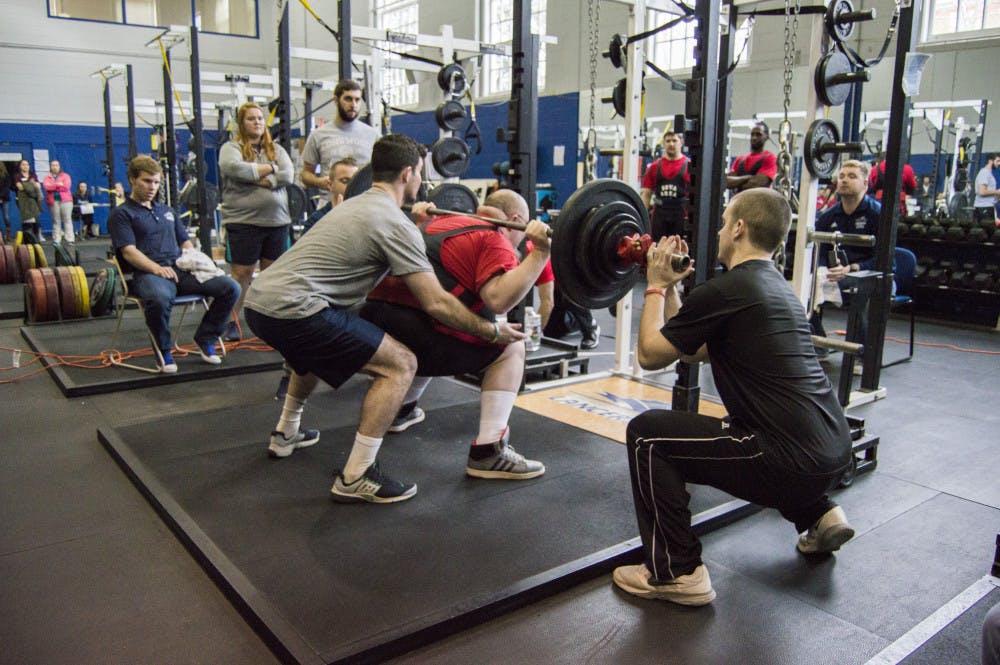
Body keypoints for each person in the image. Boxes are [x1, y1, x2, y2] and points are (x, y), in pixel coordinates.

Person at [244, 134, 524, 504]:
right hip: (297, 308)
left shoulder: (355, 204)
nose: (422, 184)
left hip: (259, 302)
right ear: (408, 174)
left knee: (311, 343)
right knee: (401, 364)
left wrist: (414, 223)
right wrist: (490, 331)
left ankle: (286, 433)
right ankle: (356, 475)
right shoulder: (394, 223)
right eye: (421, 175)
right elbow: (437, 304)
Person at [612, 188, 854, 606]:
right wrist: (672, 289)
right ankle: (820, 515)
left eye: (725, 222)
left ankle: (678, 571)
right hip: (834, 447)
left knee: (648, 435)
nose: (721, 230)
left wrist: (652, 287)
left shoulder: (727, 289)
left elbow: (650, 354)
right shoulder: (775, 288)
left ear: (739, 228)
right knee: (760, 432)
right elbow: (692, 348)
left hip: (785, 459)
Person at [359, 189, 551, 478]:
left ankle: (402, 409)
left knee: (448, 318)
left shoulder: (434, 222)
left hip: (374, 321)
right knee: (511, 346)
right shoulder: (494, 237)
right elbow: (499, 300)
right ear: (516, 220)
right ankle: (489, 451)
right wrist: (540, 253)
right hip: (417, 331)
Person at [109, 155, 240, 373]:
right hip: (148, 274)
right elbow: (129, 253)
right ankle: (164, 351)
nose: (153, 187)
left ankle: (206, 338)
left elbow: (185, 242)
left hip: (179, 269)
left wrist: (197, 261)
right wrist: (157, 269)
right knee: (159, 298)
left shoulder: (168, 211)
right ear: (132, 179)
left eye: (157, 182)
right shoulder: (122, 214)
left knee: (230, 287)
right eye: (147, 181)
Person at [218, 101, 295, 342]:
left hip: (276, 221)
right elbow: (232, 168)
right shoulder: (231, 147)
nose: (258, 122)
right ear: (241, 124)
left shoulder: (277, 149)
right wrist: (270, 169)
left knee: (273, 274)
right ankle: (230, 321)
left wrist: (262, 177)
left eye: (260, 118)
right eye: (251, 118)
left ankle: (272, 320)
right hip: (243, 221)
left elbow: (288, 174)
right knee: (242, 273)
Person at [810, 160, 882, 344]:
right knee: (805, 285)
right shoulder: (828, 216)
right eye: (841, 176)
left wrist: (852, 268)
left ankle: (862, 354)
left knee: (863, 290)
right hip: (837, 275)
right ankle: (818, 344)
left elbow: (885, 260)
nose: (844, 180)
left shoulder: (878, 215)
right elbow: (819, 252)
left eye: (852, 176)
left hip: (870, 276)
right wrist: (825, 269)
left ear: (865, 184)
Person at [300, 79, 379, 204]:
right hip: (329, 204)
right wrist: (319, 182)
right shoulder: (318, 135)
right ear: (336, 100)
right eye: (348, 99)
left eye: (357, 100)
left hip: (363, 204)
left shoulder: (373, 135)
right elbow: (305, 174)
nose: (353, 104)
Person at [640, 128, 691, 240]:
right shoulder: (654, 167)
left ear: (681, 142)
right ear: (663, 143)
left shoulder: (689, 165)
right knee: (657, 248)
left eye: (674, 140)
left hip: (680, 214)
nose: (671, 144)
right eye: (668, 141)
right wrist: (642, 218)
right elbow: (646, 194)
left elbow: (695, 196)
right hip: (659, 215)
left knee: (679, 250)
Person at [300, 157, 359, 234]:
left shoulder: (364, 217)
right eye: (345, 181)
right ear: (330, 185)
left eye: (354, 181)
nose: (351, 186)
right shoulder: (316, 221)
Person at [726, 122, 777, 192]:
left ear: (766, 137)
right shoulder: (740, 159)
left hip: (759, 201)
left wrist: (737, 183)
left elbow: (756, 184)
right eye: (752, 134)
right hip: (739, 201)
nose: (754, 138)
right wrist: (748, 177)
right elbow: (726, 182)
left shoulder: (770, 158)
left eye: (758, 134)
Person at [43, 159, 74, 243]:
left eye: (56, 165)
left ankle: (70, 239)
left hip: (66, 201)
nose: (54, 167)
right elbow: (46, 187)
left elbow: (66, 187)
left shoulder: (66, 176)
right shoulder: (47, 177)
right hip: (53, 202)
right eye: (53, 165)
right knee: (56, 220)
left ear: (59, 167)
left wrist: (53, 186)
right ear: (50, 167)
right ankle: (57, 239)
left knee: (67, 219)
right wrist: (58, 185)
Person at [14, 159, 43, 241]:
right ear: (20, 166)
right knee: (27, 220)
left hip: (34, 201)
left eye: (27, 164)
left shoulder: (33, 175)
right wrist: (32, 184)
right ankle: (27, 239)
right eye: (23, 164)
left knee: (36, 220)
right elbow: (20, 187)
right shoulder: (17, 176)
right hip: (23, 201)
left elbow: (38, 187)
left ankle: (37, 239)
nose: (25, 166)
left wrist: (27, 185)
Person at [973, 153, 1000, 224]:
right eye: (998, 161)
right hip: (983, 209)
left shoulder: (989, 174)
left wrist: (997, 196)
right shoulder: (984, 173)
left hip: (988, 207)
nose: (999, 163)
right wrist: (997, 192)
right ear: (991, 161)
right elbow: (982, 192)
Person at [0, 162, 12, 242]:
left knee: (6, 217)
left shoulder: (6, 176)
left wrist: (1, 197)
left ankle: (8, 234)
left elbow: (6, 188)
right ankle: (1, 236)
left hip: (5, 199)